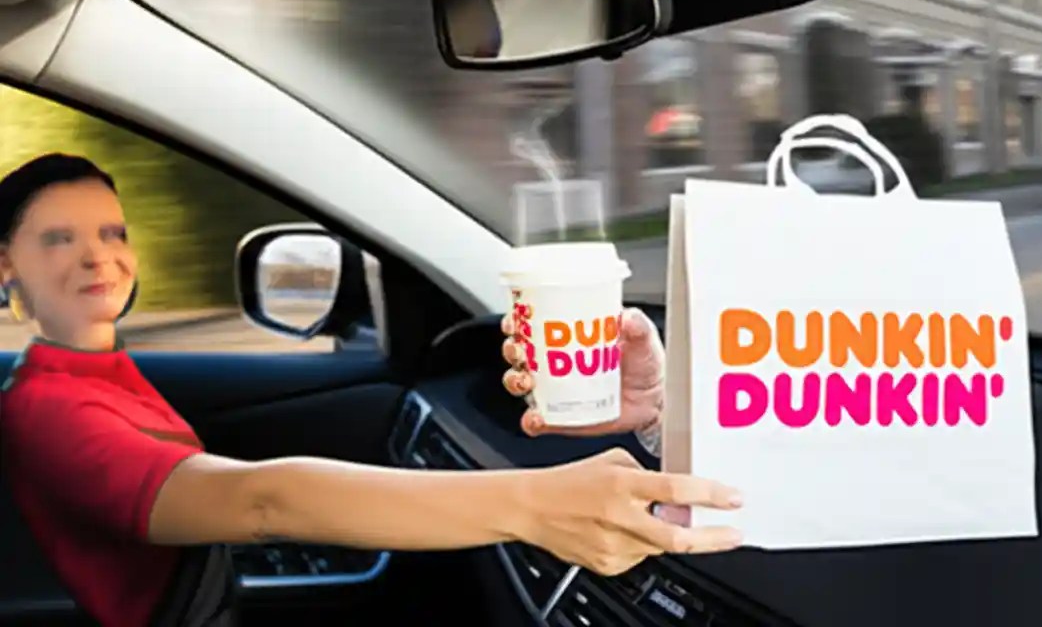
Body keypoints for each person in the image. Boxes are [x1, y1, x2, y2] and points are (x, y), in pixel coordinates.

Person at [0, 153, 743, 627]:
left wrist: (659, 415)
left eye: (113, 233)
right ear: (7, 266)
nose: (99, 257)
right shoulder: (47, 409)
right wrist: (534, 505)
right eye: (60, 238)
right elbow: (258, 501)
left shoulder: (97, 369)